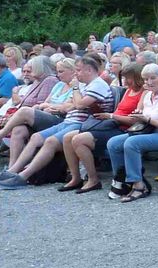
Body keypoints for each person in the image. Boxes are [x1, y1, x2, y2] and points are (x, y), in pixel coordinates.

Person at [0, 55, 113, 189]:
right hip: (69, 120)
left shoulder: (97, 85)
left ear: (89, 70)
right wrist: (73, 100)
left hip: (84, 123)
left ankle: (23, 176)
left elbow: (79, 105)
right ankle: (12, 172)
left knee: (50, 141)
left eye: (79, 70)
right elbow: (69, 104)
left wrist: (74, 91)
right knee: (36, 137)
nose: (76, 73)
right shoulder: (85, 85)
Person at [59, 63, 145, 194]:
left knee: (78, 140)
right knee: (67, 138)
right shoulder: (129, 90)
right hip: (113, 124)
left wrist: (110, 115)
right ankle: (76, 177)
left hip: (123, 128)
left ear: (137, 77)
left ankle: (93, 179)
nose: (126, 81)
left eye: (129, 78)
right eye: (125, 78)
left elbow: (135, 119)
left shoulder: (143, 93)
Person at [103, 63, 158, 202]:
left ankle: (139, 185)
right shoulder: (147, 96)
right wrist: (139, 116)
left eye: (153, 78)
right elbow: (143, 119)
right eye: (146, 79)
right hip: (150, 133)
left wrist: (147, 119)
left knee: (132, 143)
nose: (149, 82)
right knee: (113, 143)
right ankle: (122, 179)